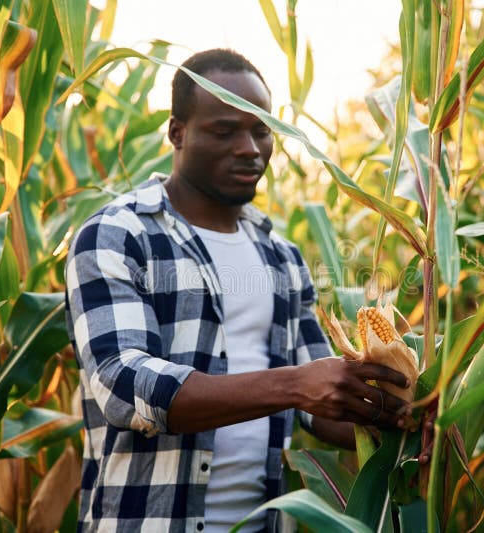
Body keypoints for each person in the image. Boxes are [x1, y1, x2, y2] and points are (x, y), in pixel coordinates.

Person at [64, 48, 412, 533]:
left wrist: (402, 418)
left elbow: (323, 407)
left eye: (262, 129)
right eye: (225, 131)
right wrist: (295, 384)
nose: (250, 147)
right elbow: (124, 386)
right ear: (177, 132)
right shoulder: (119, 235)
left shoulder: (281, 257)